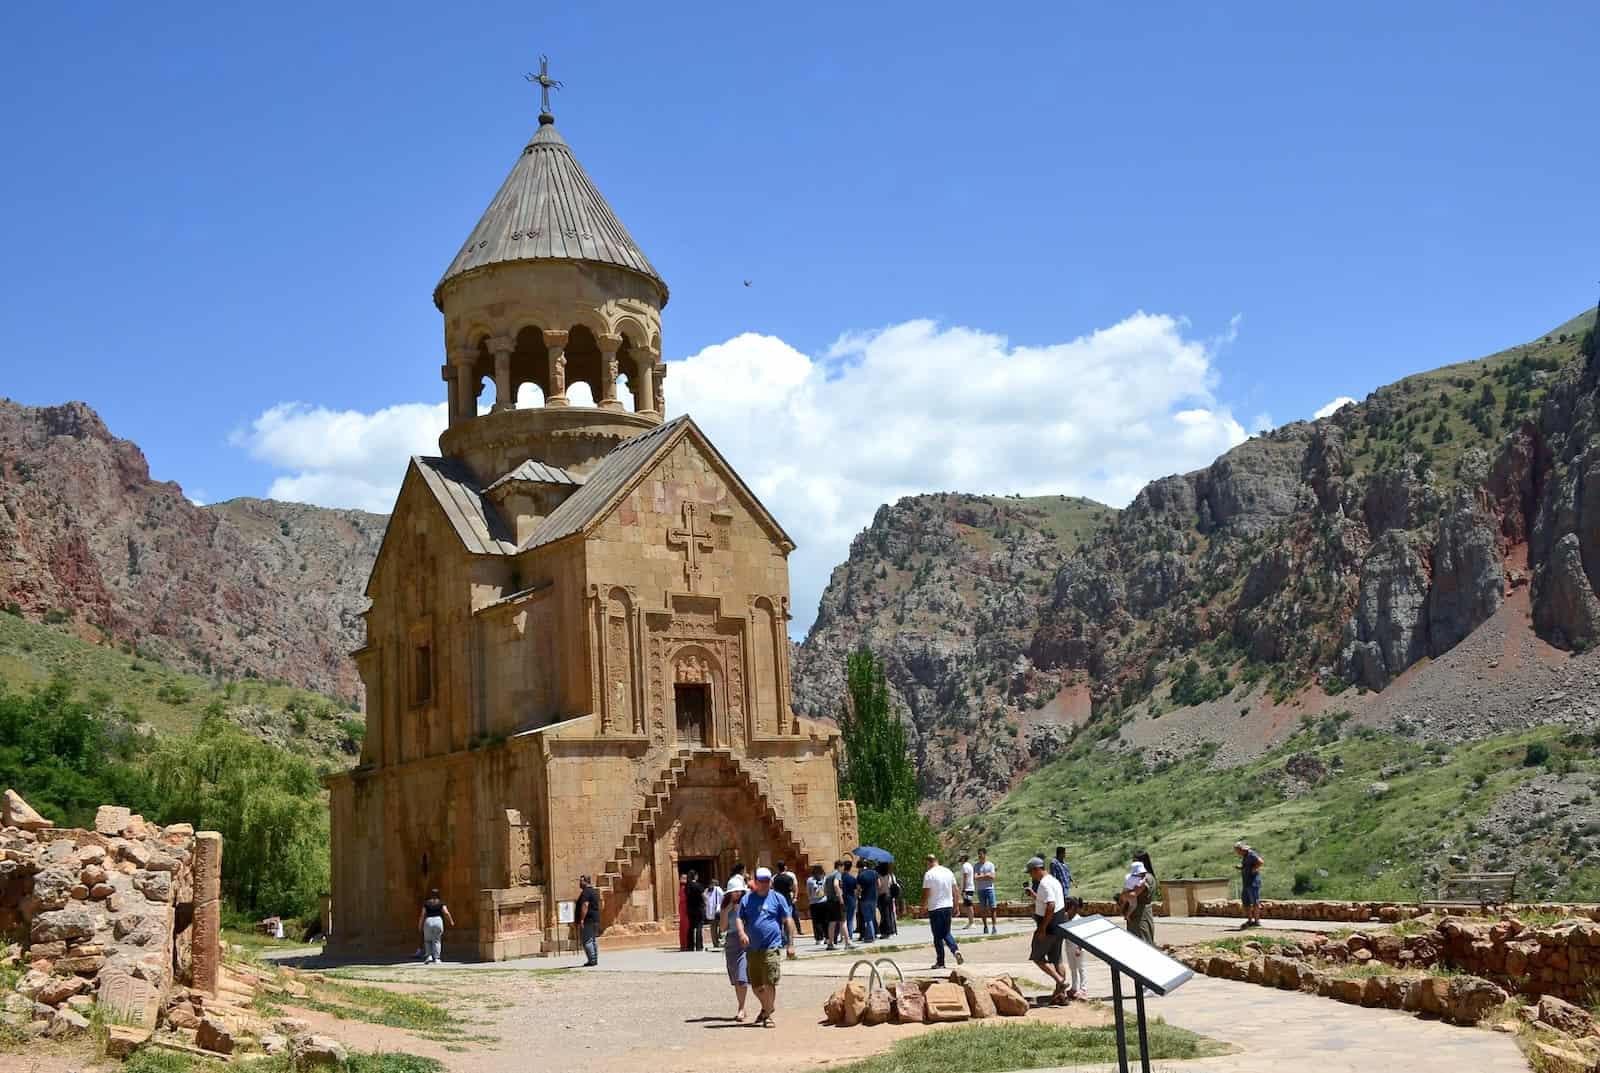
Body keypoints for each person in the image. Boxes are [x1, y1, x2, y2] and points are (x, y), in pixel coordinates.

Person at [734, 867, 797, 1028]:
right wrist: (741, 934)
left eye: (767, 881)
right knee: (756, 986)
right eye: (761, 881)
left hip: (772, 945)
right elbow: (740, 918)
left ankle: (767, 1015)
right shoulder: (747, 899)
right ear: (755, 882)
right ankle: (768, 1006)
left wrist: (790, 944)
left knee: (770, 981)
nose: (764, 884)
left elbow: (788, 921)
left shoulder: (777, 898)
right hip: (752, 948)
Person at [1025, 857, 1069, 1004]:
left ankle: (1059, 981)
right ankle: (1061, 996)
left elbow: (1050, 905)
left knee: (1037, 957)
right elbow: (1048, 901)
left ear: (1037, 869)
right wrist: (1034, 896)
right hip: (1059, 925)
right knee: (1057, 959)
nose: (1031, 876)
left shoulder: (1044, 883)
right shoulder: (1053, 881)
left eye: (1031, 873)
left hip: (1049, 926)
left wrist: (1042, 928)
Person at [920, 853, 963, 969]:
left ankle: (940, 961)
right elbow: (956, 890)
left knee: (937, 936)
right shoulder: (948, 872)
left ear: (928, 862)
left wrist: (923, 907)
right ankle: (955, 950)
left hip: (935, 907)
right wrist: (956, 905)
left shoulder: (929, 874)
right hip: (947, 906)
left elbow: (926, 893)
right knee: (946, 932)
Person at [721, 883, 749, 1020]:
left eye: (739, 891)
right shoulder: (726, 906)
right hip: (731, 942)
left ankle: (742, 1008)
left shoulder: (747, 903)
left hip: (744, 941)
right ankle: (741, 1006)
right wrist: (728, 909)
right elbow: (723, 927)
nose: (737, 893)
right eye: (734, 891)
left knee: (742, 977)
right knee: (736, 978)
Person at [1060, 896, 1089, 999]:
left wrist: (1079, 948)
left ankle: (1084, 988)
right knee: (1072, 968)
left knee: (1081, 968)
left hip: (1077, 948)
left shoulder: (1078, 920)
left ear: (1072, 907)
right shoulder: (1066, 919)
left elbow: (1082, 936)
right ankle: (1074, 987)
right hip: (1069, 947)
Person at [1121, 860, 1156, 945]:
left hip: (1140, 914)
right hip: (1142, 912)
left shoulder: (1145, 879)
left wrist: (1123, 895)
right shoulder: (1148, 877)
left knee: (1141, 941)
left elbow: (1132, 895)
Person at [417, 888, 454, 964]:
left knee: (427, 940)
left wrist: (420, 924)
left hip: (428, 921)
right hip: (438, 920)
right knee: (437, 940)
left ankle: (429, 956)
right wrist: (451, 921)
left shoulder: (427, 903)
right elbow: (446, 912)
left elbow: (422, 914)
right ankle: (437, 958)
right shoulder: (441, 903)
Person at [1235, 841, 1265, 929]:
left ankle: (1256, 921)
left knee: (1255, 902)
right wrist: (1241, 867)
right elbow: (1247, 866)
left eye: (1237, 850)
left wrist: (1254, 869)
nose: (1237, 853)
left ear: (1242, 849)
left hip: (1253, 882)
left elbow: (1260, 862)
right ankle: (1250, 920)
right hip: (1246, 882)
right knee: (1246, 902)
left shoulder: (1251, 854)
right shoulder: (1245, 856)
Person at [575, 875, 601, 966]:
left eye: (581, 881)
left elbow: (585, 905)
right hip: (595, 919)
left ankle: (592, 960)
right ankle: (594, 959)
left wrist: (582, 919)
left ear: (586, 881)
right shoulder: (594, 891)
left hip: (588, 920)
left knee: (587, 941)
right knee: (592, 940)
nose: (579, 883)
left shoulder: (586, 892)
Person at [772, 860, 802, 938]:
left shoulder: (775, 878)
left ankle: (782, 937)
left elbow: (773, 889)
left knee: (779, 920)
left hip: (777, 901)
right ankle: (789, 936)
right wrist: (795, 897)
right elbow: (794, 887)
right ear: (785, 867)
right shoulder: (789, 877)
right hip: (788, 900)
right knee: (789, 919)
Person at [974, 849, 998, 934]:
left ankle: (994, 926)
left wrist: (982, 876)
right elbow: (976, 877)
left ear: (985, 854)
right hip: (980, 889)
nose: (980, 856)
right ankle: (985, 926)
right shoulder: (976, 866)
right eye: (978, 854)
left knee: (993, 908)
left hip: (989, 888)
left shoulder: (990, 865)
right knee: (983, 909)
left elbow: (992, 877)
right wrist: (986, 875)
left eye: (981, 854)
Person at [856, 859, 879, 943]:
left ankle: (871, 937)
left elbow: (858, 889)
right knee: (872, 917)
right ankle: (869, 935)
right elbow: (879, 885)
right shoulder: (874, 873)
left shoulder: (860, 875)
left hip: (864, 898)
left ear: (860, 867)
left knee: (868, 918)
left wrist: (857, 896)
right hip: (874, 898)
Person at [823, 860, 844, 950]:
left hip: (829, 900)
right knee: (842, 921)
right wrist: (840, 897)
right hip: (835, 901)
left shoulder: (828, 876)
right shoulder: (837, 874)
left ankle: (830, 943)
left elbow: (824, 889)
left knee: (832, 923)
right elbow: (836, 885)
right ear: (840, 866)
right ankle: (847, 941)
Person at [806, 864, 828, 945]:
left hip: (814, 903)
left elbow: (808, 892)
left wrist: (810, 899)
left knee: (816, 921)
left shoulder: (810, 880)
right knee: (825, 921)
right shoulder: (825, 879)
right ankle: (827, 937)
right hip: (824, 901)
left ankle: (819, 938)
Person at [839, 860, 859, 947]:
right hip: (851, 900)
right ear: (850, 868)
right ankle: (849, 936)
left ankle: (842, 937)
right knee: (850, 920)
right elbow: (856, 891)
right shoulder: (852, 879)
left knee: (842, 920)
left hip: (842, 900)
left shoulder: (840, 878)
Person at [685, 870, 706, 952]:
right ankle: (699, 946)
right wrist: (706, 903)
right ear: (695, 876)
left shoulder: (688, 886)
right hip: (699, 908)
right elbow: (703, 896)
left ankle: (690, 946)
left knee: (691, 927)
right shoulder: (698, 885)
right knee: (699, 927)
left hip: (690, 909)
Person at [704, 875, 726, 949]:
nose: (710, 886)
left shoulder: (718, 890)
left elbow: (723, 898)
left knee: (721, 927)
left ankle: (720, 940)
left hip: (718, 912)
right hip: (710, 913)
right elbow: (705, 899)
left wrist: (721, 908)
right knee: (713, 929)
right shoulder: (706, 891)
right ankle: (715, 943)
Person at [877, 862, 897, 938]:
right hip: (889, 896)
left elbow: (879, 886)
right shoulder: (889, 875)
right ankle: (891, 931)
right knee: (889, 914)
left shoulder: (879, 876)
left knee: (883, 915)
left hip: (882, 896)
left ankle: (885, 932)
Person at [959, 853, 977, 928]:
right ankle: (970, 922)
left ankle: (972, 922)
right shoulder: (969, 865)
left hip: (967, 889)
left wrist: (963, 889)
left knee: (969, 905)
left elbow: (965, 877)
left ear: (963, 858)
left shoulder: (965, 866)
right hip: (969, 888)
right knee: (967, 905)